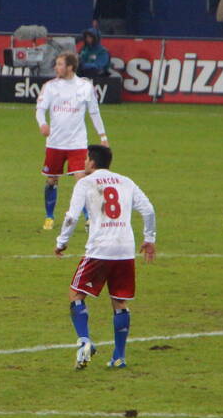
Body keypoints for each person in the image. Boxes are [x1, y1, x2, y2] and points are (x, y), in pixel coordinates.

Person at [54, 144, 157, 370]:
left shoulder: (85, 182)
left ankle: (84, 340)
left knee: (76, 293)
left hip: (100, 248)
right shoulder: (126, 181)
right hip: (125, 249)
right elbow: (148, 209)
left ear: (92, 161)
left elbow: (72, 217)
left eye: (86, 158)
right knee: (120, 301)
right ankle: (119, 356)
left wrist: (62, 242)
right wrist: (149, 239)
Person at [37, 52, 108, 231]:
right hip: (55, 143)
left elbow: (94, 112)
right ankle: (49, 217)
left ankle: (88, 218)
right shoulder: (50, 86)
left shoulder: (85, 86)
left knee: (81, 179)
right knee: (52, 180)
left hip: (77, 143)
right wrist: (43, 123)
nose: (56, 67)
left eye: (60, 64)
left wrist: (103, 136)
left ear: (70, 67)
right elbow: (40, 109)